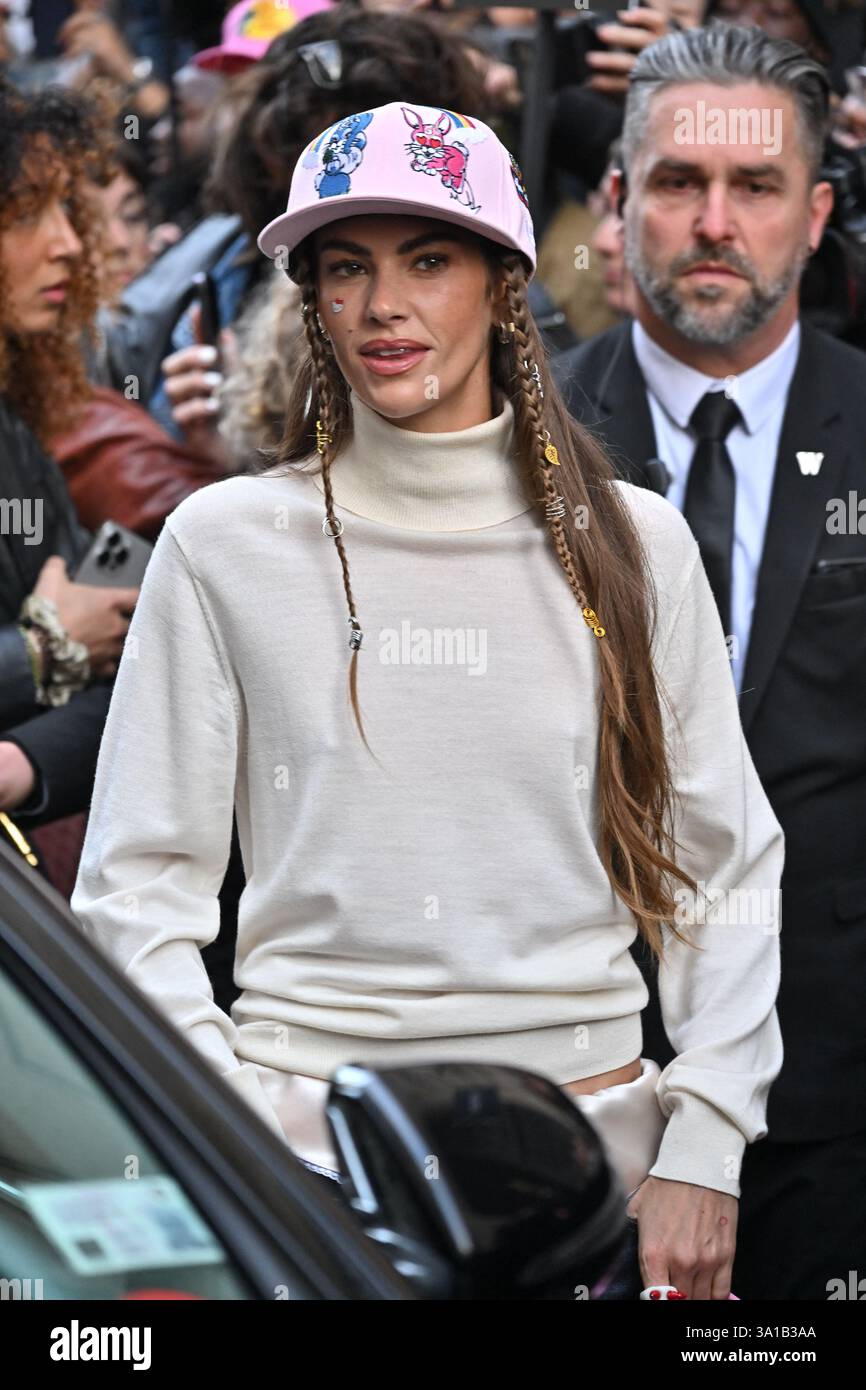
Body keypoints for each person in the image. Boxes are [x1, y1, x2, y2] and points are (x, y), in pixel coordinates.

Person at [72, 100, 784, 1301]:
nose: (379, 305)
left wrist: (707, 1141)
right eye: (344, 268)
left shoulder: (633, 544)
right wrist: (227, 1136)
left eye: (428, 259)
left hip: (596, 1176)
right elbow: (135, 890)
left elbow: (719, 867)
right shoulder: (224, 544)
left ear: (504, 282)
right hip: (299, 1177)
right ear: (310, 298)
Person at [553, 24, 866, 1299]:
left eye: (755, 187)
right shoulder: (523, 447)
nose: (713, 222)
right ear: (617, 203)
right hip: (578, 1084)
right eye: (678, 183)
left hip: (836, 1093)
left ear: (817, 212)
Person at [0, 79, 137, 842]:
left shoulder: (15, 424)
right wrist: (45, 650)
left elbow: (124, 664)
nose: (71, 243)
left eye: (65, 207)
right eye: (26, 214)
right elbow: (79, 639)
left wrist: (23, 757)